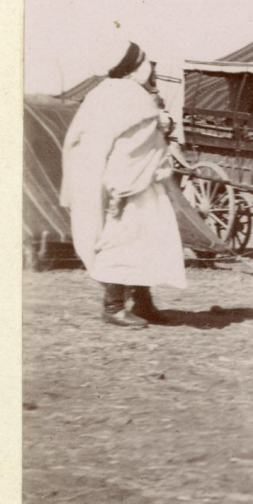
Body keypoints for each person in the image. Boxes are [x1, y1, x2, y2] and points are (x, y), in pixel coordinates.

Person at [59, 42, 186, 326]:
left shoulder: (100, 93)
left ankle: (142, 302)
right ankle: (114, 306)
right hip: (131, 182)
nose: (151, 69)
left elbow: (82, 140)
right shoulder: (133, 96)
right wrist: (161, 127)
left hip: (104, 178)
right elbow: (133, 146)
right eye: (147, 63)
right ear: (135, 67)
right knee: (126, 241)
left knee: (141, 242)